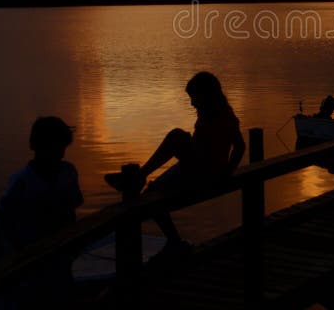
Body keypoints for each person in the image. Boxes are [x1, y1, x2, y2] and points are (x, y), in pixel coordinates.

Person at [105, 71, 246, 261]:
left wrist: (228, 172)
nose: (192, 103)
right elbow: (227, 146)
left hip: (205, 173)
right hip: (193, 168)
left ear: (206, 95)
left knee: (177, 136)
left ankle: (138, 176)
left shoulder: (225, 117)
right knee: (150, 195)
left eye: (194, 97)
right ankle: (174, 241)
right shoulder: (208, 114)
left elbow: (240, 146)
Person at [0, 116, 83, 305]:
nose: (59, 155)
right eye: (54, 149)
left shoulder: (68, 172)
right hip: (28, 252)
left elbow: (74, 205)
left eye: (62, 149)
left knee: (62, 292)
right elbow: (3, 219)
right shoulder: (21, 181)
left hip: (63, 249)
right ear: (34, 146)